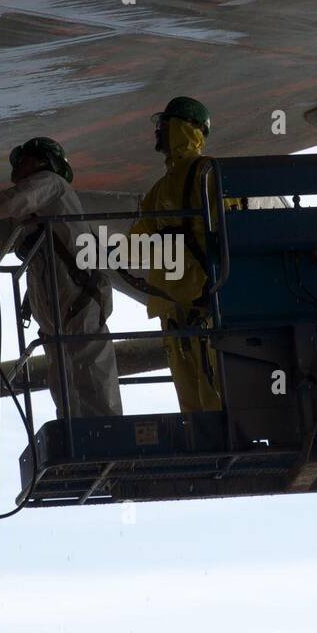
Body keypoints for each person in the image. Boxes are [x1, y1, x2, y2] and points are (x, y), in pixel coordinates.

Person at [0, 137, 122, 418]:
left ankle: (108, 439)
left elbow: (14, 200)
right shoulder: (28, 218)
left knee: (92, 377)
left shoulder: (52, 185)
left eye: (24, 159)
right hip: (56, 313)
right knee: (64, 384)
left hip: (79, 303)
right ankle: (77, 443)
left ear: (44, 162)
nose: (17, 167)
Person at [129, 96, 224, 412]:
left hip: (201, 302)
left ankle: (223, 447)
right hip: (175, 307)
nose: (159, 131)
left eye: (165, 124)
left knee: (213, 388)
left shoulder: (207, 174)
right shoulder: (162, 187)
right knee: (192, 396)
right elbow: (137, 241)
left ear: (186, 127)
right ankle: (206, 449)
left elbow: (228, 232)